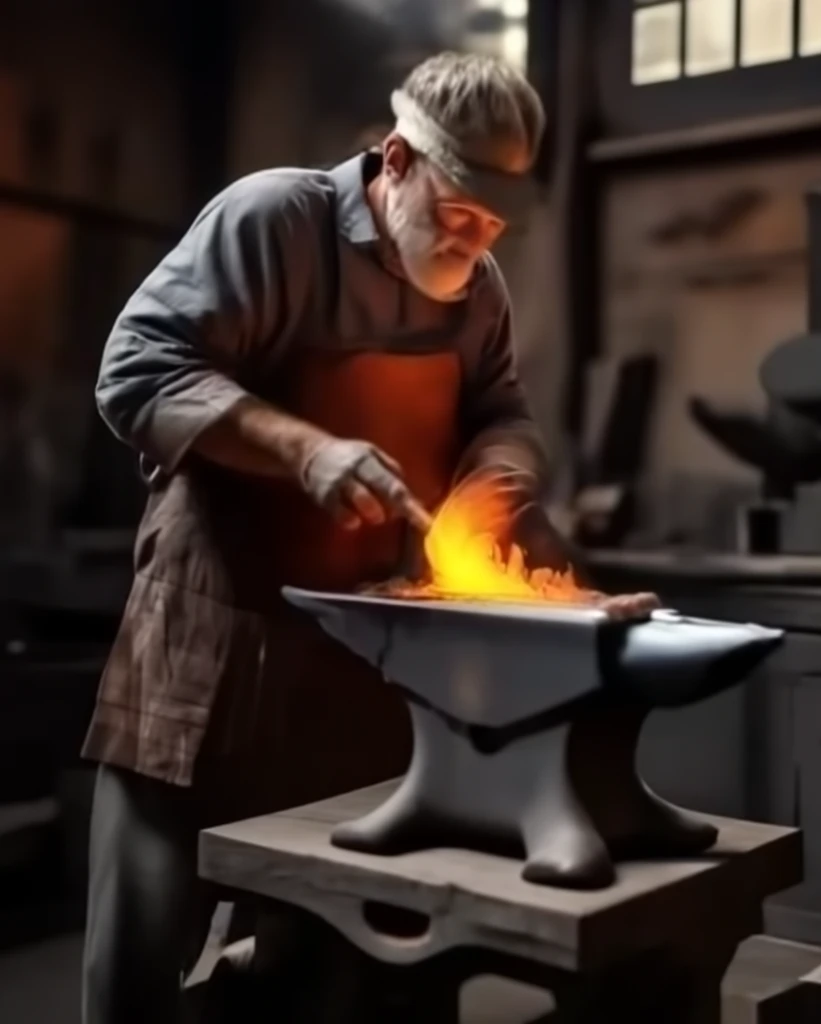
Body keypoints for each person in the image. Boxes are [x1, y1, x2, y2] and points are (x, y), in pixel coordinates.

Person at [81, 51, 553, 1024]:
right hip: (213, 648)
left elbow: (503, 412)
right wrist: (303, 450)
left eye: (493, 226)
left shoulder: (482, 289)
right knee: (145, 948)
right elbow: (134, 372)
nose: (472, 248)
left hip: (359, 659)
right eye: (459, 215)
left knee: (340, 951)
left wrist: (489, 486)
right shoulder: (273, 221)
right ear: (394, 160)